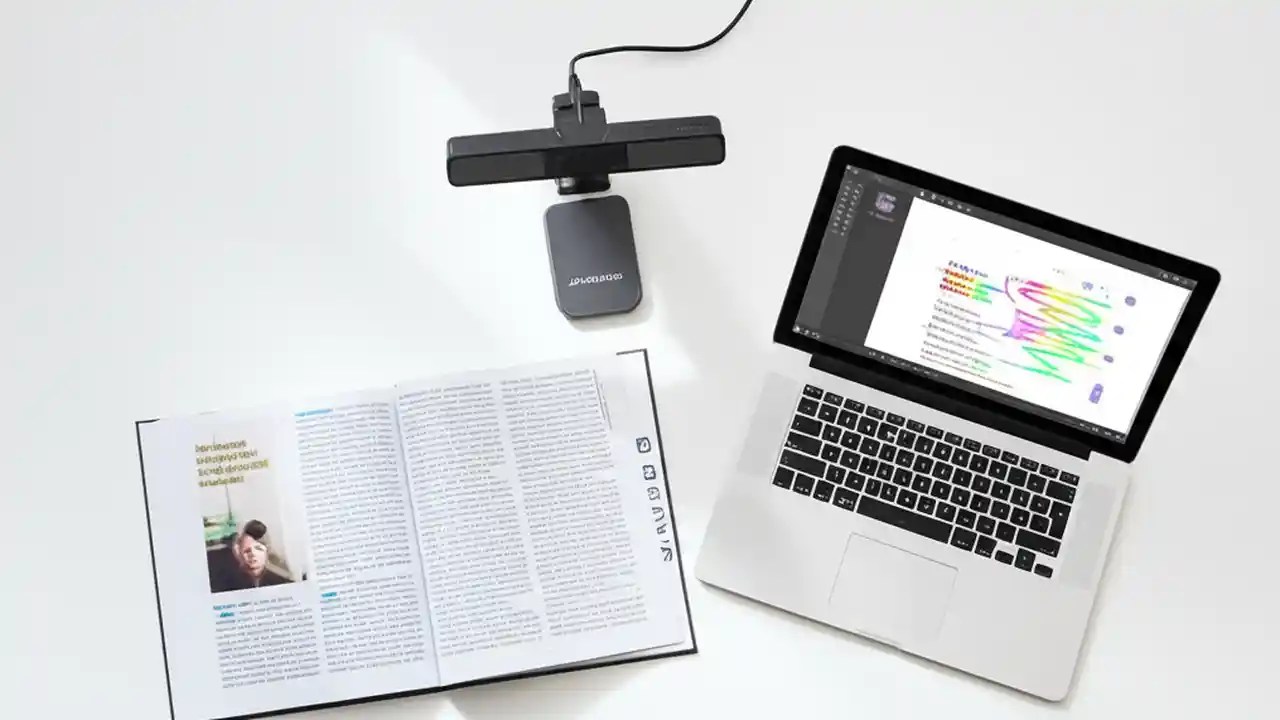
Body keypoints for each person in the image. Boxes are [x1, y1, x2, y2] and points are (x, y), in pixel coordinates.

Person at [208, 519, 292, 593]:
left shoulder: (282, 581)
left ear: (267, 551)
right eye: (247, 551)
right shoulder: (225, 582)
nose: (252, 554)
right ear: (238, 552)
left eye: (258, 549)